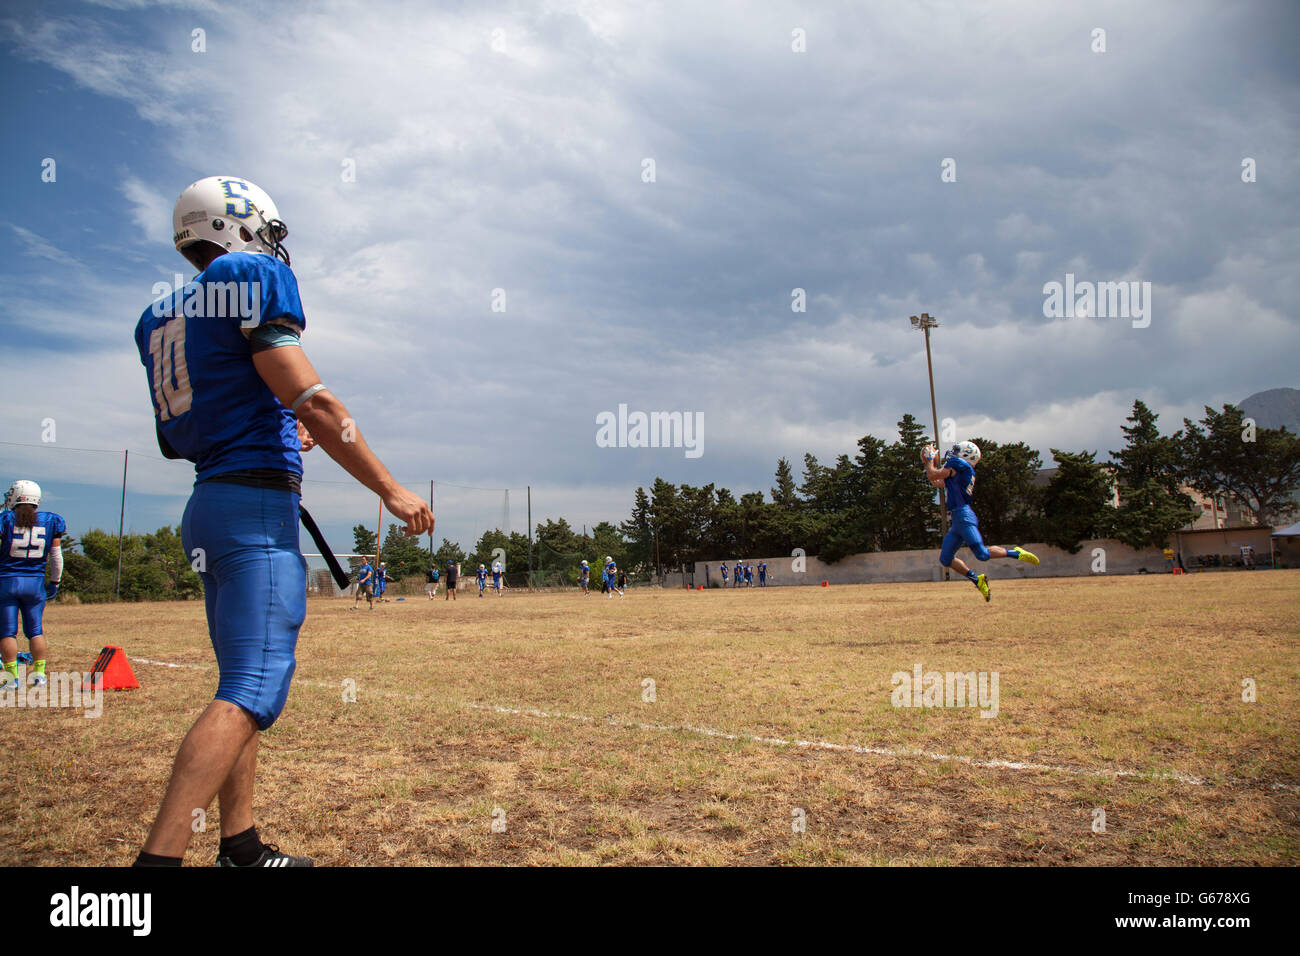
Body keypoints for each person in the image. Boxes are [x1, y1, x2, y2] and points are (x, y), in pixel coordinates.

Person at [131, 175, 433, 868]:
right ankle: (152, 870)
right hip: (254, 511)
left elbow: (179, 436)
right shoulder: (250, 274)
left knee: (238, 682)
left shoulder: (161, 314)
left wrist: (271, 423)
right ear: (235, 224)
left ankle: (239, 847)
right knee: (253, 689)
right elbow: (315, 402)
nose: (272, 245)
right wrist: (390, 489)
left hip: (210, 505)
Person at [921, 441, 1038, 602]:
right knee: (946, 558)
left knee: (982, 554)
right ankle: (978, 580)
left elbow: (933, 475)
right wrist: (930, 464)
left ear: (966, 454)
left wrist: (929, 461)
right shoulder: (961, 471)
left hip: (964, 516)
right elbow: (936, 481)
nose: (953, 452)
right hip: (957, 519)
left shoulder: (960, 465)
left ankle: (1016, 553)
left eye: (957, 450)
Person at [1, 480, 65, 693]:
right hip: (35, 583)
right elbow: (56, 556)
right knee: (35, 631)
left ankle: (12, 680)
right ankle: (40, 675)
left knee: (7, 633)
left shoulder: (5, 520)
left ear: (16, 496)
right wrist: (55, 581)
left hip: (7, 582)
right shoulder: (51, 521)